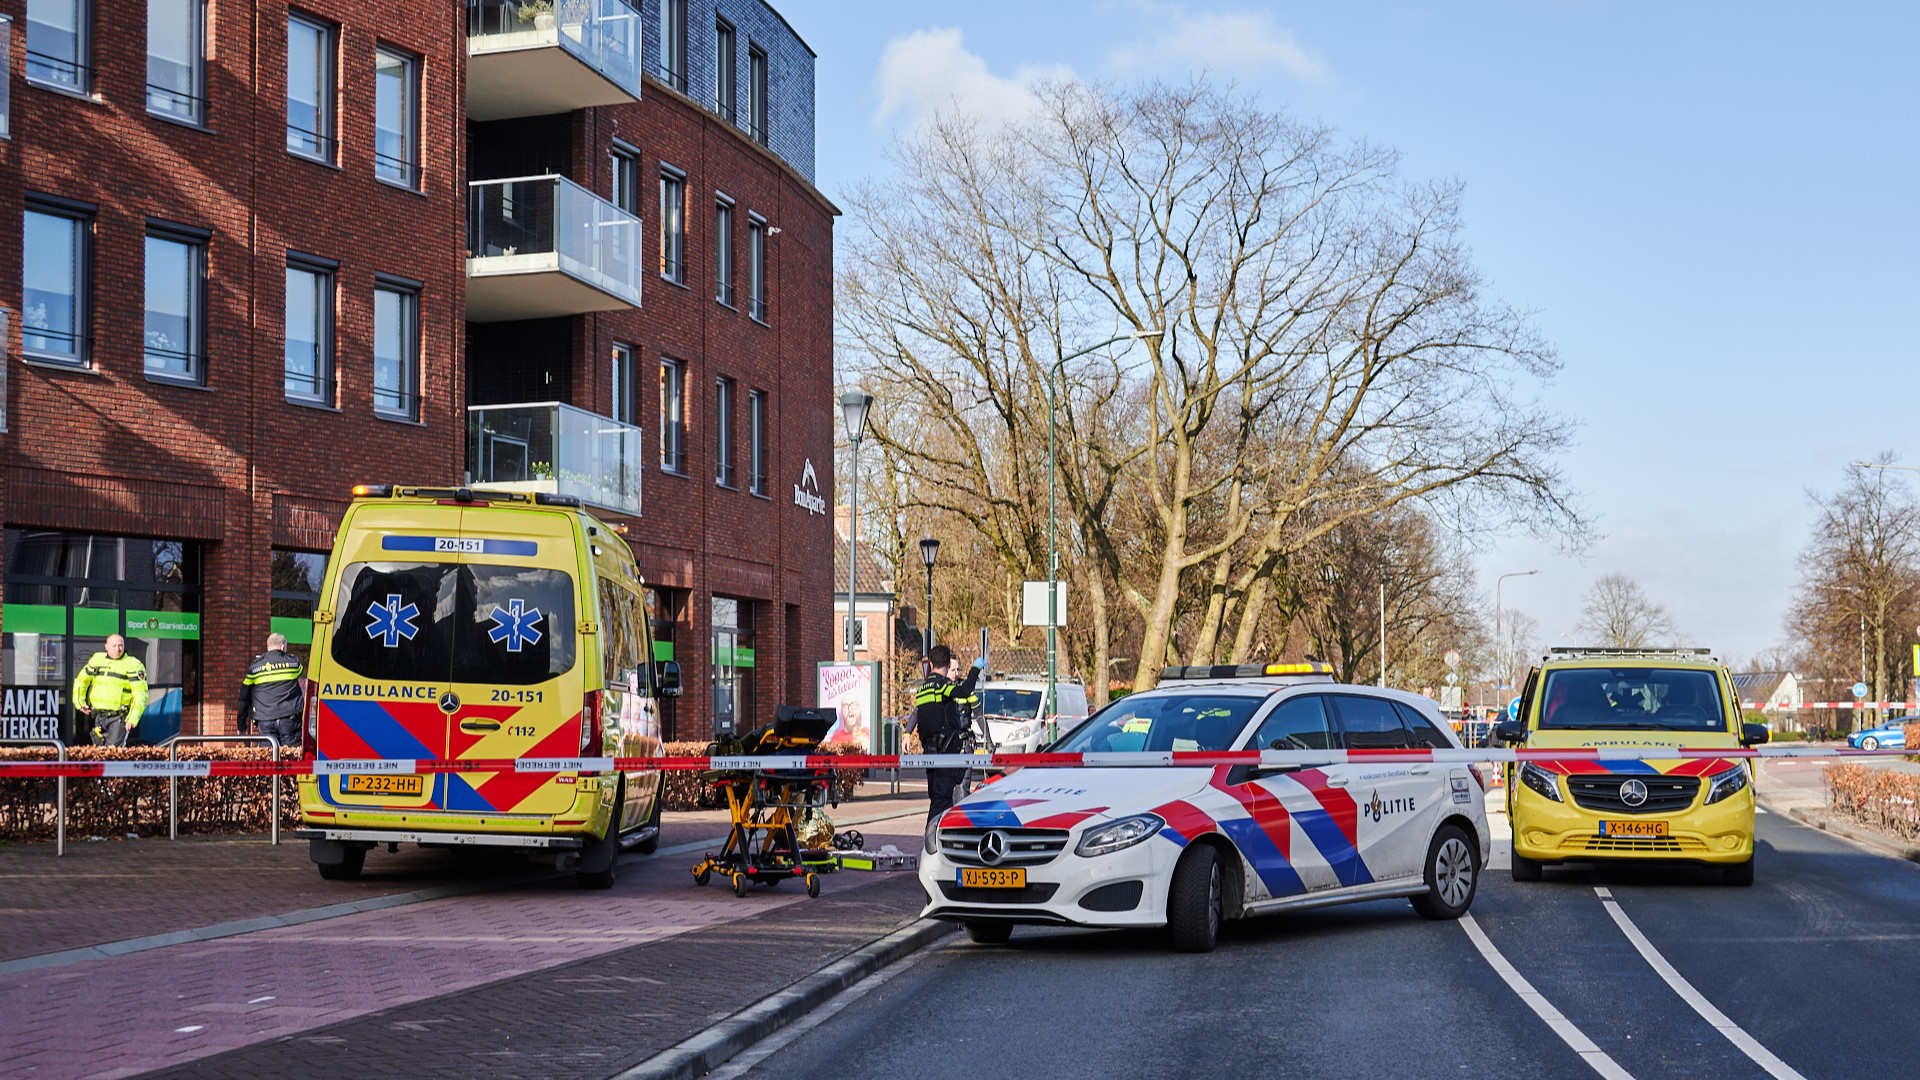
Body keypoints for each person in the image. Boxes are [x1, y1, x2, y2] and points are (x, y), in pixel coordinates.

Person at [914, 644, 985, 822]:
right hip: (945, 753)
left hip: (929, 753)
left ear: (930, 663)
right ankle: (933, 841)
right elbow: (963, 691)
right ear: (947, 664)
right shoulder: (941, 686)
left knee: (937, 799)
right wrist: (975, 670)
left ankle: (938, 839)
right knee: (942, 801)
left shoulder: (922, 690)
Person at [73, 634, 149, 747]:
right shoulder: (97, 660)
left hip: (118, 717)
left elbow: (141, 694)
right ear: (106, 647)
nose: (118, 649)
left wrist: (133, 718)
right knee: (99, 753)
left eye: (120, 645)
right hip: (99, 716)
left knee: (112, 753)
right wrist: (79, 702)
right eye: (114, 646)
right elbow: (81, 680)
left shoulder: (133, 665)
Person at [238, 632, 306, 751]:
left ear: (268, 647)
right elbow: (299, 670)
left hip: (265, 720)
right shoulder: (293, 664)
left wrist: (241, 725)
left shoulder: (254, 668)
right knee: (291, 759)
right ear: (283, 646)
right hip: (289, 719)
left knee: (268, 760)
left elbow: (243, 698)